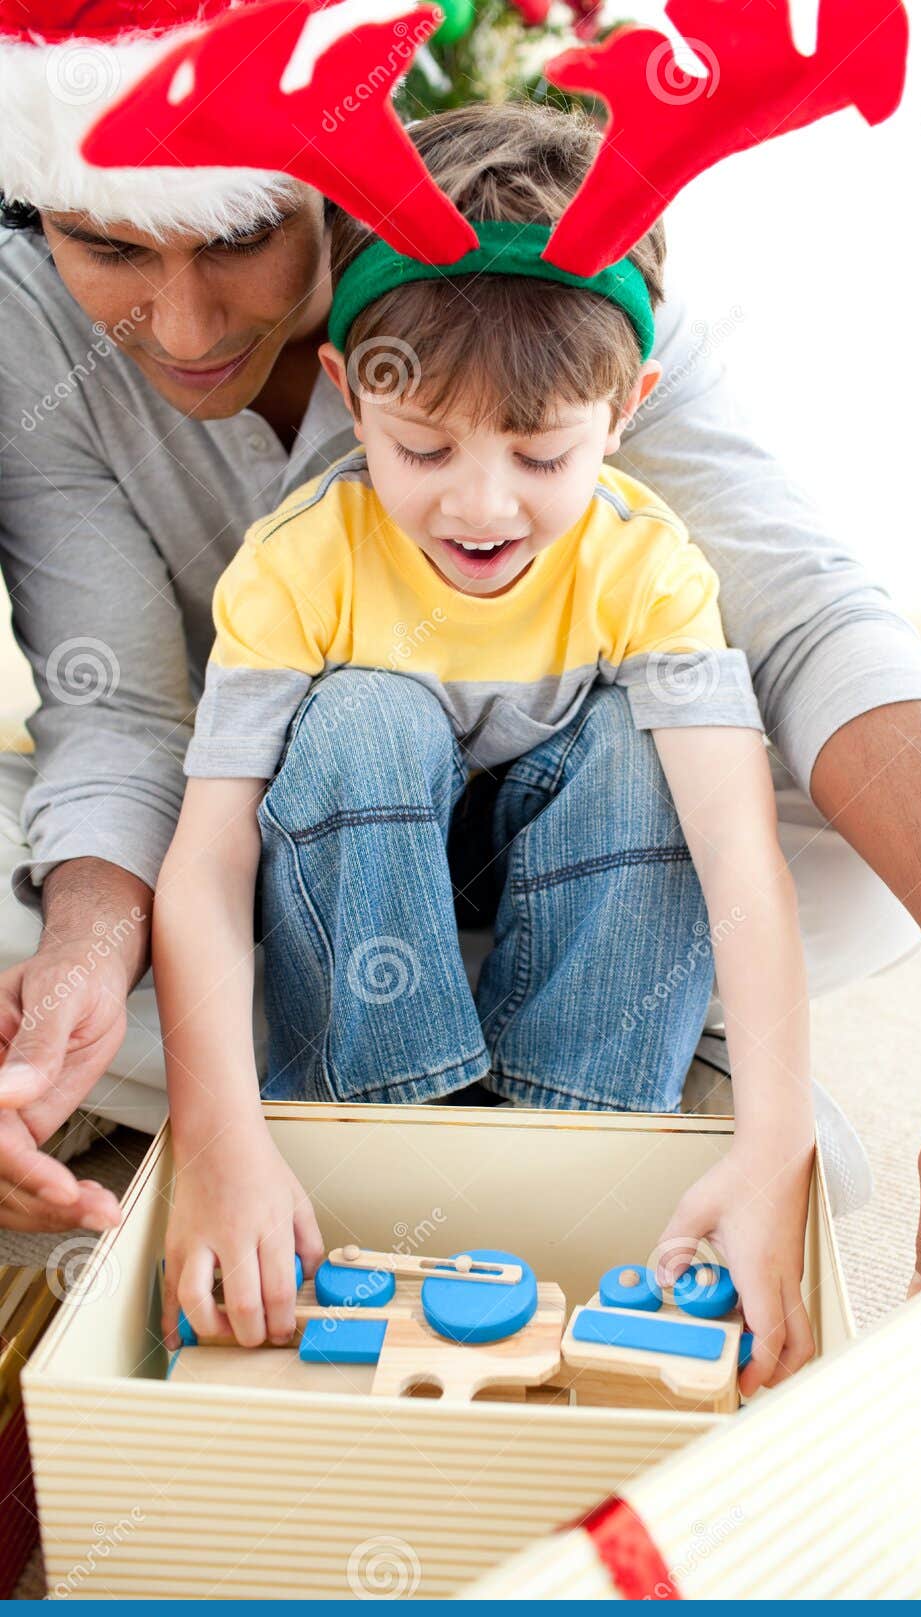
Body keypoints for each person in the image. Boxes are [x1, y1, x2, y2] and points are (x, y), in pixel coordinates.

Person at [0, 4, 921, 1364]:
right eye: (109, 246)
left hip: (573, 834)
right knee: (128, 843)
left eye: (241, 237)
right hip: (313, 840)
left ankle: (593, 1106)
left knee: (815, 823)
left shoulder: (571, 295)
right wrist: (111, 987)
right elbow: (137, 735)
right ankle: (439, 1110)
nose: (191, 318)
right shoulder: (275, 542)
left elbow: (799, 635)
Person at [154, 102, 818, 1380]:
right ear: (352, 397)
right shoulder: (301, 562)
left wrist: (771, 1145)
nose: (479, 501)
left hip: (558, 870)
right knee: (362, 710)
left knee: (647, 745)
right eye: (422, 447)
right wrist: (219, 1141)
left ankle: (576, 1133)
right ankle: (407, 1124)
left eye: (539, 452)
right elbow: (205, 864)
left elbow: (742, 861)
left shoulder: (646, 566)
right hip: (372, 912)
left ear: (625, 410)